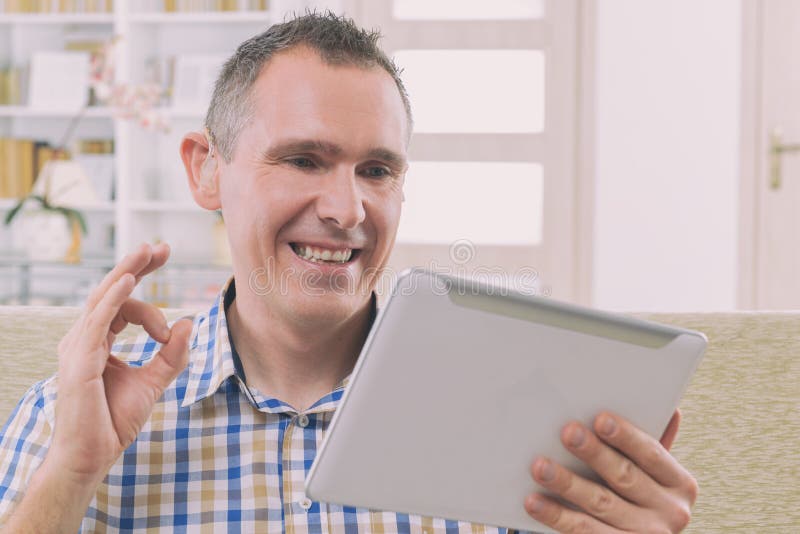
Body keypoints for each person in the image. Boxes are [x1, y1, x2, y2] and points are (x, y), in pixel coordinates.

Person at [0, 12, 697, 533]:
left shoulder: (519, 424)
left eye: (376, 170)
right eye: (303, 160)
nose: (346, 209)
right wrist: (72, 471)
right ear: (206, 169)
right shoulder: (72, 416)